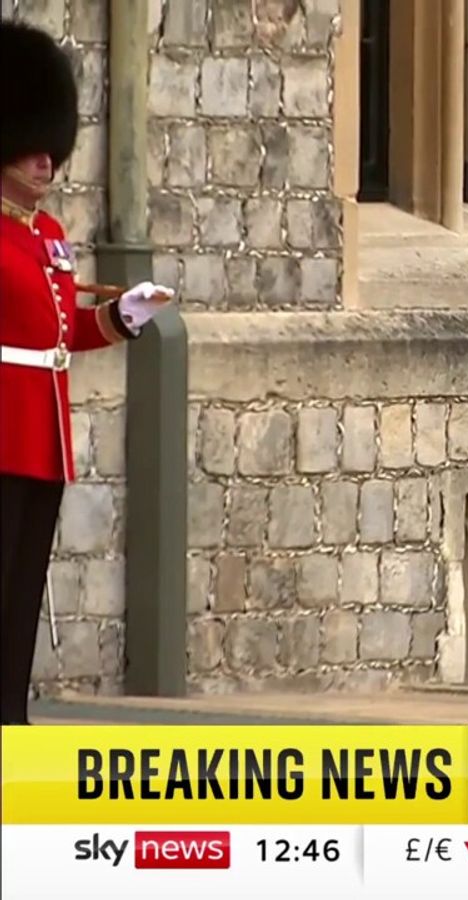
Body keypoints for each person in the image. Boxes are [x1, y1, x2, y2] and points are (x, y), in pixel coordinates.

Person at [1, 22, 176, 725]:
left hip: (41, 435)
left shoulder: (45, 235)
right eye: (32, 147)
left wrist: (123, 318)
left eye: (52, 149)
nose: (46, 162)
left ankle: (9, 712)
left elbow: (63, 330)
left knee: (21, 587)